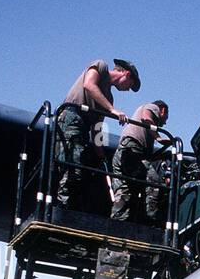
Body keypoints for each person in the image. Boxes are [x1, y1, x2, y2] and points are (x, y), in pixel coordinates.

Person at [56, 59, 141, 213]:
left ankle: (70, 208)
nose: (128, 90)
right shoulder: (101, 67)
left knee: (80, 171)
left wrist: (101, 154)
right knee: (72, 168)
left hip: (84, 127)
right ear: (126, 74)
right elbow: (88, 85)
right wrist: (113, 110)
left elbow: (97, 127)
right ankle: (62, 209)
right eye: (131, 85)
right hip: (71, 117)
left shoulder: (108, 97)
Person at [110, 100, 170, 224]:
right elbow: (146, 117)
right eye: (166, 117)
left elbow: (149, 156)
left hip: (122, 152)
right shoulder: (152, 107)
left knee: (124, 189)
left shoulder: (144, 135)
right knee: (154, 182)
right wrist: (158, 138)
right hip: (132, 149)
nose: (165, 122)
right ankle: (151, 220)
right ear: (162, 110)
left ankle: (117, 225)